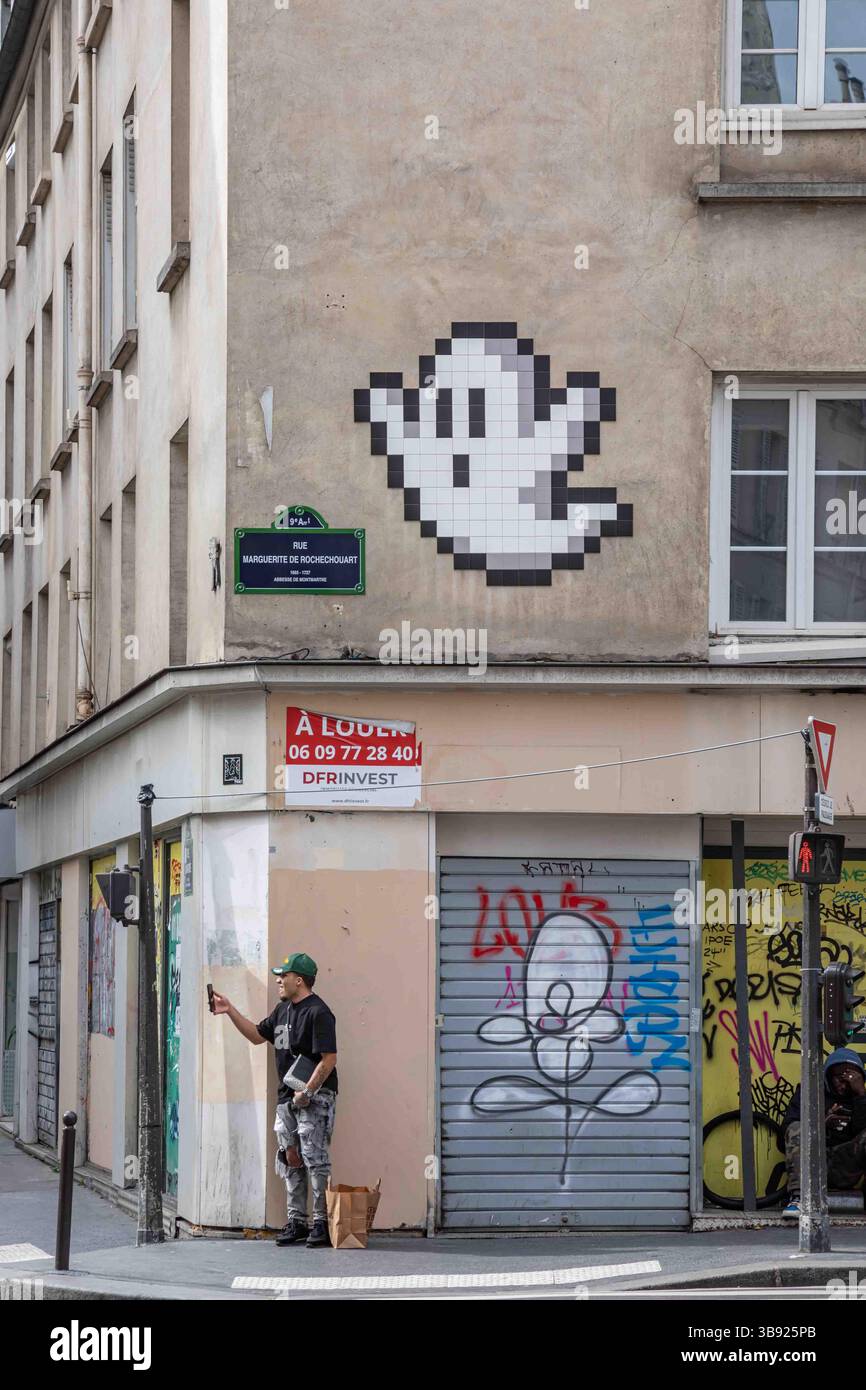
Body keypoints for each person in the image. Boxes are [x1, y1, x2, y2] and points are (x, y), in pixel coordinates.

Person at [212, 951, 338, 1247]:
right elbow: (257, 1035)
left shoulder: (319, 1012)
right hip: (286, 1097)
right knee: (289, 1156)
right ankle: (297, 1221)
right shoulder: (282, 1010)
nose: (279, 980)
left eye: (284, 976)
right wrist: (229, 1010)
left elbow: (329, 1058)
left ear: (300, 980)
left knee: (315, 1157)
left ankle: (321, 1222)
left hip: (316, 1096)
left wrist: (307, 1092)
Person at [781, 1047, 866, 1218]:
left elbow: (861, 1133)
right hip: (814, 1166)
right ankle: (798, 1198)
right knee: (797, 1127)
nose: (843, 1084)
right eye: (838, 1078)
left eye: (850, 1078)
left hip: (847, 1165)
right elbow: (786, 1133)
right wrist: (821, 1125)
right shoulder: (809, 1093)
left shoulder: (860, 1096)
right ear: (828, 1077)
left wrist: (861, 1094)